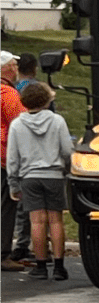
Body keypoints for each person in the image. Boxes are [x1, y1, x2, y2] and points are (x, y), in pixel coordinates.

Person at [6, 82, 73, 280]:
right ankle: (59, 267)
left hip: (29, 177)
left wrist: (13, 183)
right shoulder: (57, 121)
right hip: (53, 175)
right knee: (56, 220)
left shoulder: (17, 125)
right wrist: (66, 169)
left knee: (37, 221)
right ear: (46, 100)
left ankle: (41, 266)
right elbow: (67, 150)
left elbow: (12, 158)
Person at [0, 50, 29, 272]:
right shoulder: (8, 94)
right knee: (6, 207)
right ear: (7, 69)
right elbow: (21, 124)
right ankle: (3, 254)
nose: (17, 69)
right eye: (14, 65)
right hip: (4, 156)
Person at [9, 53, 38, 262]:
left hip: (19, 151)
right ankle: (35, 244)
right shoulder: (40, 90)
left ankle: (21, 242)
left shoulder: (14, 90)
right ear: (34, 68)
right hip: (38, 154)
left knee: (20, 204)